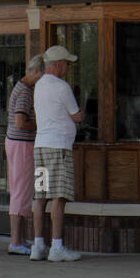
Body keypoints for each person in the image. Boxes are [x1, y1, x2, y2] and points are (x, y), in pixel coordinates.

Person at [31, 45, 85, 262]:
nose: (68, 68)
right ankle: (57, 246)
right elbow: (76, 116)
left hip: (41, 146)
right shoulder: (62, 87)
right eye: (67, 64)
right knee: (58, 196)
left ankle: (38, 245)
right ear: (58, 64)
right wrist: (81, 115)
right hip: (59, 147)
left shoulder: (39, 85)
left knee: (41, 196)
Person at [5, 54, 45, 254]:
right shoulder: (25, 92)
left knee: (20, 190)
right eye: (42, 75)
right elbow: (20, 122)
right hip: (22, 144)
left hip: (16, 143)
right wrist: (40, 124)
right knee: (21, 191)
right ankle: (16, 241)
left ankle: (19, 240)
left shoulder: (22, 88)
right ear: (35, 72)